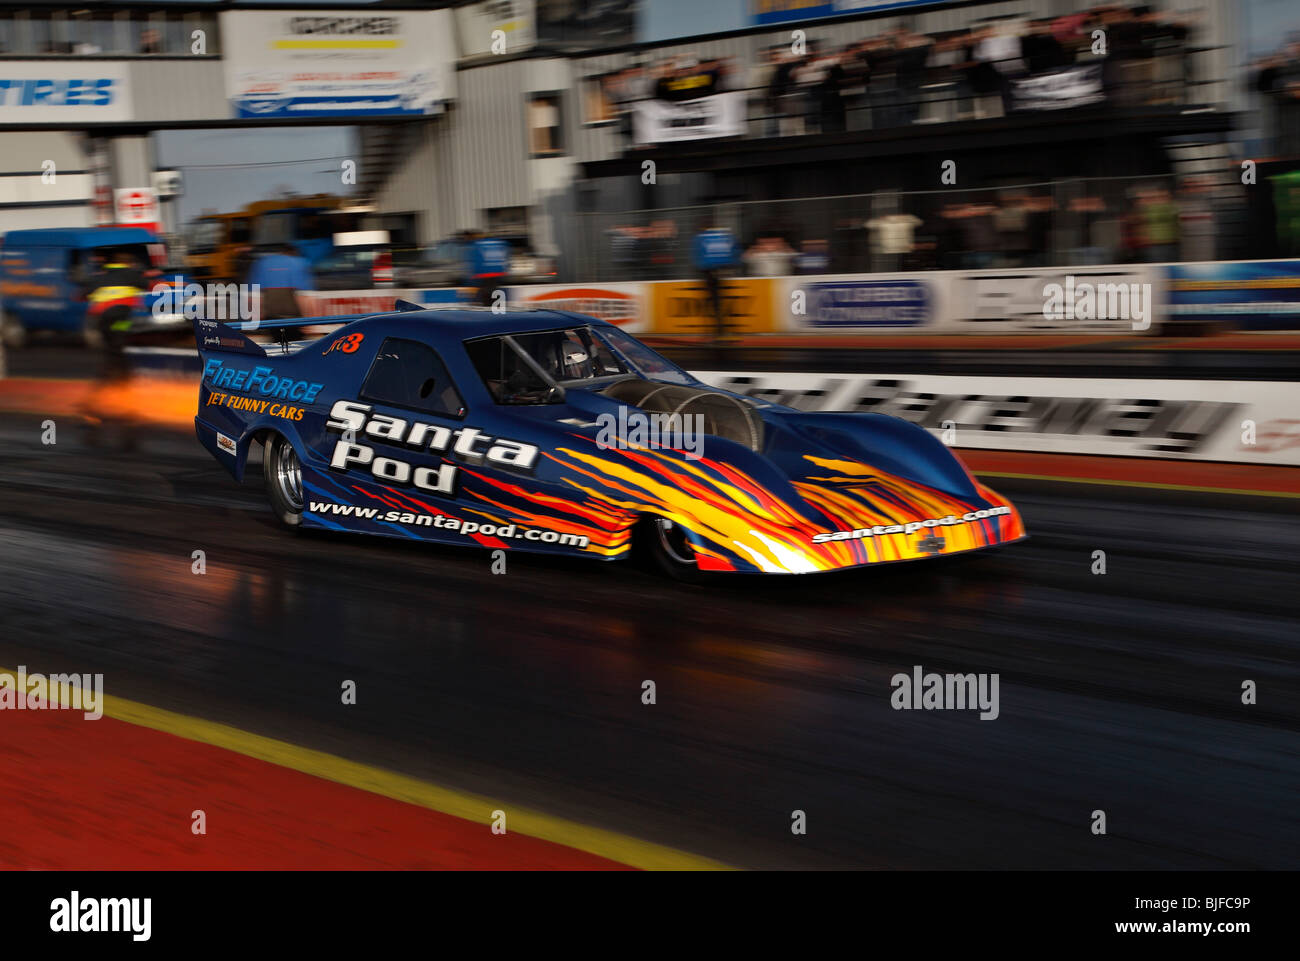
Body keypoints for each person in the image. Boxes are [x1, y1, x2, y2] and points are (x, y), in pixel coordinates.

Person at [691, 224, 739, 343]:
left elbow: (697, 258)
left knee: (712, 304)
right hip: (721, 272)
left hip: (708, 274)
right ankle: (721, 331)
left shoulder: (701, 238)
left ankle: (714, 332)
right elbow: (734, 253)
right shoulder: (723, 236)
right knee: (720, 302)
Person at [248, 244, 314, 321]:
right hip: (293, 316)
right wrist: (307, 319)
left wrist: (258, 315)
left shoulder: (262, 263)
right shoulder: (298, 263)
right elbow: (303, 296)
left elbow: (254, 294)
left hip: (271, 316)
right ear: (293, 253)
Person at [466, 230, 511, 307]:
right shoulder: (500, 243)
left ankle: (489, 311)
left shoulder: (478, 244)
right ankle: (499, 310)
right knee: (496, 293)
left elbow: (476, 261)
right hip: (498, 274)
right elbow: (506, 258)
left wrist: (473, 275)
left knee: (486, 295)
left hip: (484, 275)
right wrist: (506, 270)